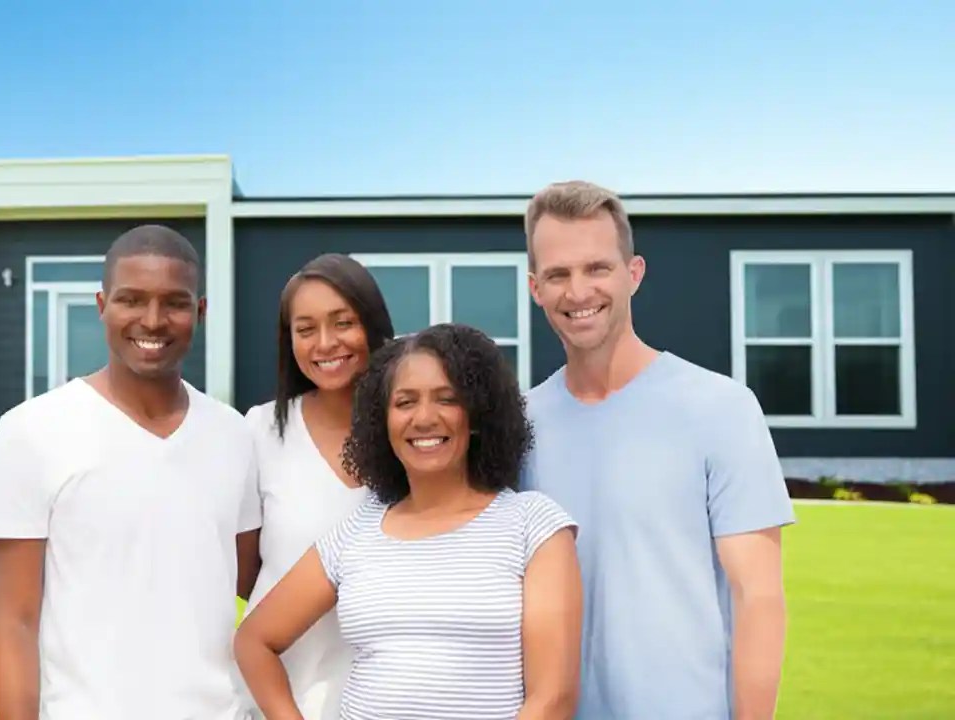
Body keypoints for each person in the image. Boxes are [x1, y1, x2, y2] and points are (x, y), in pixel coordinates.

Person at [519, 180, 797, 719]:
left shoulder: (721, 408)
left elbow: (758, 599)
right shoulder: (520, 424)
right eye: (558, 274)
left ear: (633, 274)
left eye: (597, 268)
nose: (578, 292)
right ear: (536, 288)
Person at [0, 224, 260, 719]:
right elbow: (12, 622)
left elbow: (258, 582)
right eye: (131, 300)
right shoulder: (31, 431)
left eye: (174, 302)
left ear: (200, 311)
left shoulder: (233, 434)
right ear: (102, 305)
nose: (153, 320)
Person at [235, 323, 583, 720]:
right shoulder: (357, 531)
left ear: (476, 415)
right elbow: (255, 640)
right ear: (382, 422)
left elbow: (553, 699)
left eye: (446, 399)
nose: (424, 418)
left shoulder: (532, 527)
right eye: (405, 402)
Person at [235, 253, 396, 720]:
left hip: (382, 702)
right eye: (305, 329)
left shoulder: (416, 431)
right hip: (280, 701)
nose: (326, 343)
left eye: (343, 322)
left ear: (372, 324)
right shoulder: (261, 432)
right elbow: (246, 572)